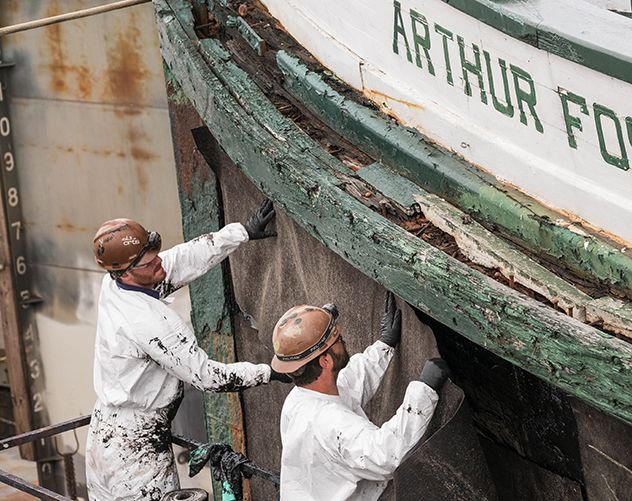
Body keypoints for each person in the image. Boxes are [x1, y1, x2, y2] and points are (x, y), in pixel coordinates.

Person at [85, 200, 287, 501]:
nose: (160, 263)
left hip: (104, 431)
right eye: (149, 262)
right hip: (135, 454)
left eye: (155, 253)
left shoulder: (116, 284)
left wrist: (240, 232)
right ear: (126, 272)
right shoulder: (148, 322)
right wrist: (269, 371)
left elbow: (179, 260)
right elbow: (207, 377)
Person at [273, 292, 450, 501]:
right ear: (326, 362)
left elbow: (349, 384)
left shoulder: (299, 399)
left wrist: (384, 346)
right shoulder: (332, 423)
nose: (342, 339)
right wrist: (424, 391)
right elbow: (386, 454)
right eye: (337, 339)